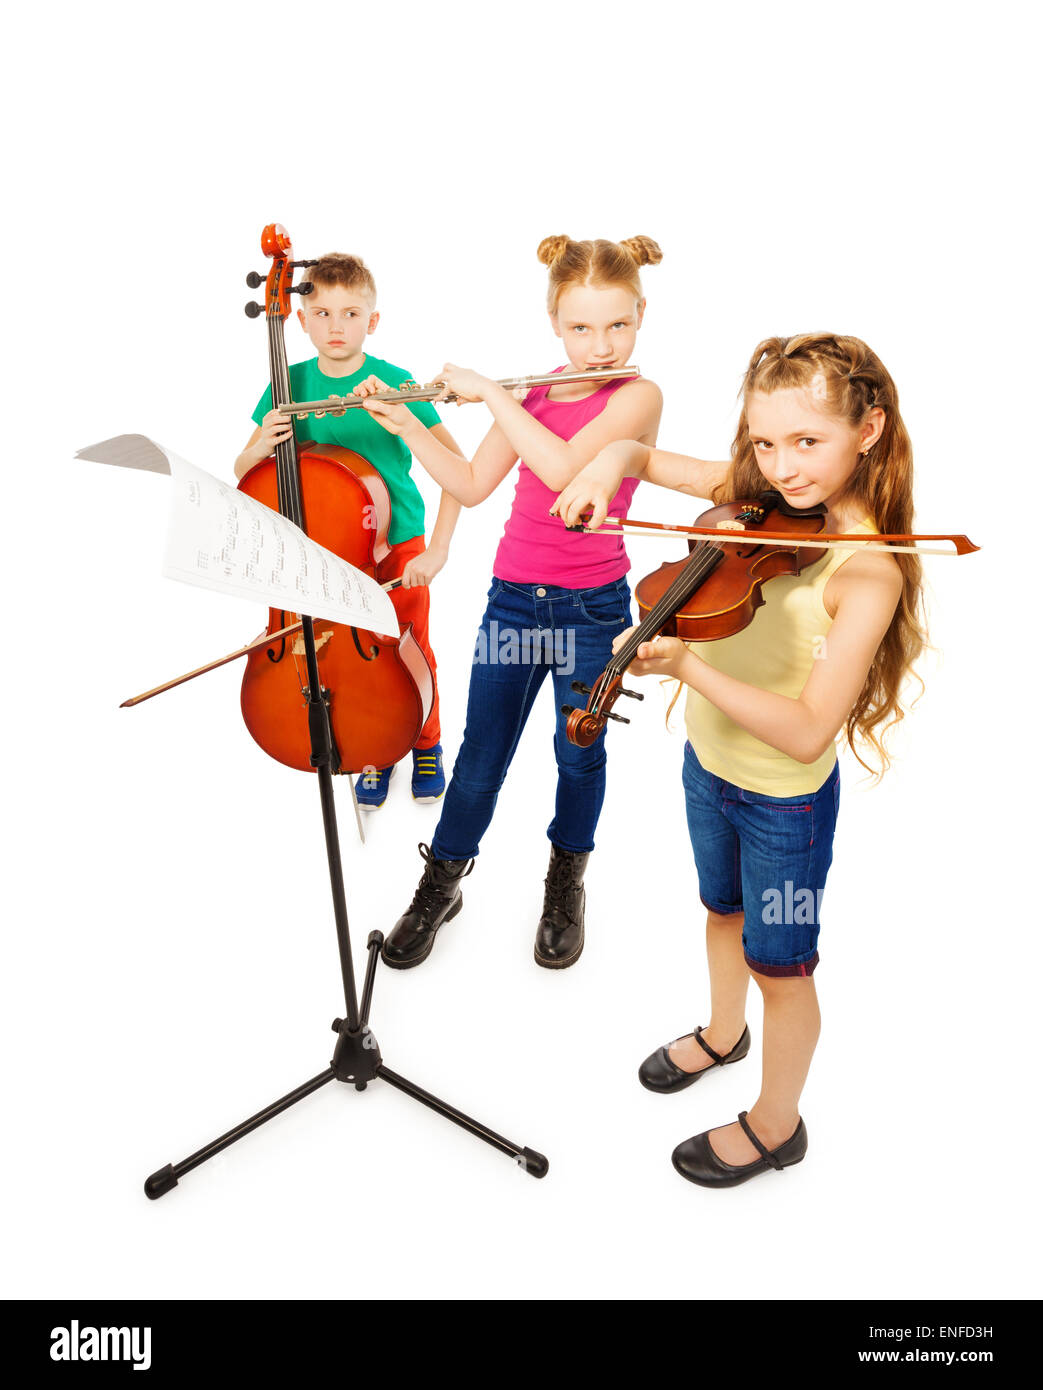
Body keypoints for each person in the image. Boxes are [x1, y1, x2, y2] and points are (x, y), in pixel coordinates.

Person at [553, 333, 924, 1186]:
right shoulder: (757, 508)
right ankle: (724, 1033)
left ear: (867, 431)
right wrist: (609, 459)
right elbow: (641, 454)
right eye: (763, 443)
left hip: (783, 804)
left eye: (806, 442)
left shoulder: (868, 574)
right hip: (706, 768)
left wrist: (683, 663)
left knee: (782, 967)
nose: (781, 468)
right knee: (719, 913)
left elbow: (804, 731)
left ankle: (775, 1122)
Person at [356, 235, 663, 969]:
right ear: (554, 322)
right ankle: (442, 883)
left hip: (592, 610)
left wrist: (491, 390)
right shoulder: (531, 392)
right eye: (581, 328)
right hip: (513, 606)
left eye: (616, 325)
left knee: (577, 758)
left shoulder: (639, 395)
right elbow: (467, 484)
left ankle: (565, 886)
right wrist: (402, 423)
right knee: (480, 757)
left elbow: (562, 471)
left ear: (640, 315)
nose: (599, 345)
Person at [234, 252, 464, 808]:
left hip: (396, 544)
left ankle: (426, 740)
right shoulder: (289, 383)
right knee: (345, 658)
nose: (337, 326)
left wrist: (437, 548)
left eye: (351, 313)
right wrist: (261, 444)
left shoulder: (393, 381)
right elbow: (246, 475)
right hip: (324, 549)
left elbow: (457, 470)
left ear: (373, 321)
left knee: (407, 649)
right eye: (322, 313)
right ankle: (372, 749)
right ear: (302, 319)